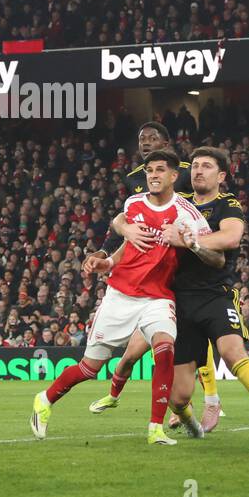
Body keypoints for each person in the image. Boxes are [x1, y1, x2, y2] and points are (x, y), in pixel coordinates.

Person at [33, 151, 210, 446]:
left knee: (164, 346)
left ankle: (155, 428)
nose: (153, 175)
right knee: (90, 368)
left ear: (173, 176)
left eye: (159, 170)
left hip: (158, 296)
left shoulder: (187, 213)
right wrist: (109, 263)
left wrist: (185, 241)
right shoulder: (134, 204)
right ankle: (44, 399)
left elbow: (207, 248)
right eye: (150, 170)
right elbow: (127, 243)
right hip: (121, 294)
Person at [87, 123, 229, 426]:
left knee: (192, 336)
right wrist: (107, 249)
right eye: (142, 139)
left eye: (153, 139)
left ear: (167, 142)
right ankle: (123, 397)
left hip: (188, 265)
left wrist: (200, 240)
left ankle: (212, 401)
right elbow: (128, 219)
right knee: (134, 354)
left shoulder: (189, 170)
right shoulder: (136, 179)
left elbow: (208, 205)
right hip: (152, 276)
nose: (146, 143)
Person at [161, 147, 249, 445]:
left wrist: (188, 241)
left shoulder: (228, 205)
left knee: (232, 353)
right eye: (196, 166)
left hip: (216, 296)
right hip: (180, 301)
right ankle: (191, 423)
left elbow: (230, 237)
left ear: (221, 175)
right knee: (178, 397)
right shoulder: (178, 204)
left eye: (207, 166)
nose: (198, 171)